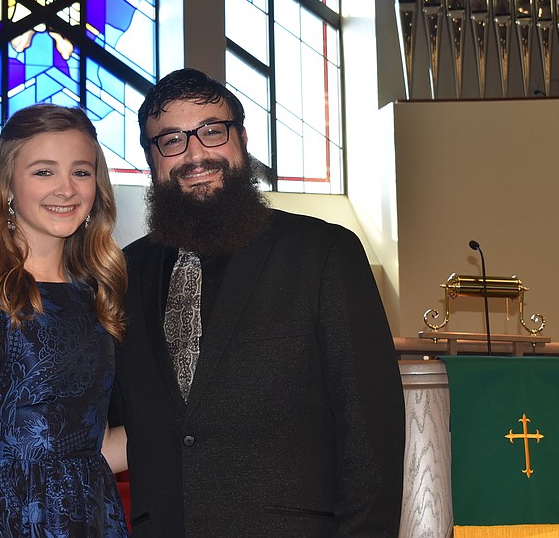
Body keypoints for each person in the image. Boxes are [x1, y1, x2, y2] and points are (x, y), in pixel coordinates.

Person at [109, 68, 405, 536]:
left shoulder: (323, 253)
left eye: (211, 131)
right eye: (171, 140)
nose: (195, 153)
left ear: (241, 139)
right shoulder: (121, 275)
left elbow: (372, 434)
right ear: (152, 159)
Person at [0, 103, 130, 536]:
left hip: (92, 517)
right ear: (7, 185)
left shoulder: (96, 296)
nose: (67, 189)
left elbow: (92, 449)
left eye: (81, 171)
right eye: (44, 172)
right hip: (9, 520)